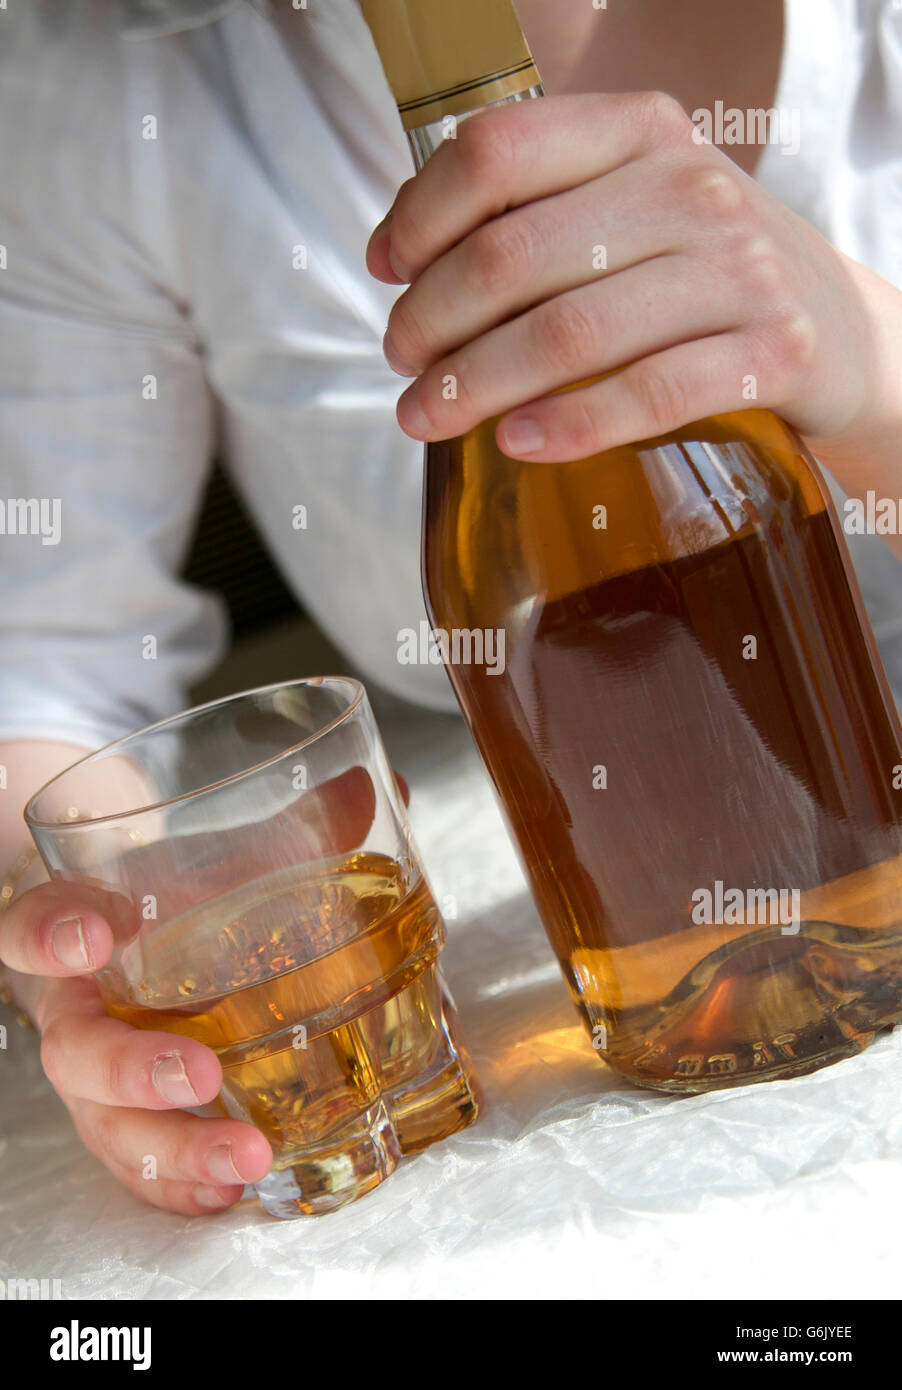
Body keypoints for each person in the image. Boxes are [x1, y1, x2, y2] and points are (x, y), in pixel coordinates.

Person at [1, 0, 900, 1215]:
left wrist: (869, 357)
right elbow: (47, 663)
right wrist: (95, 934)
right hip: (627, 1011)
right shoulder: (101, 71)